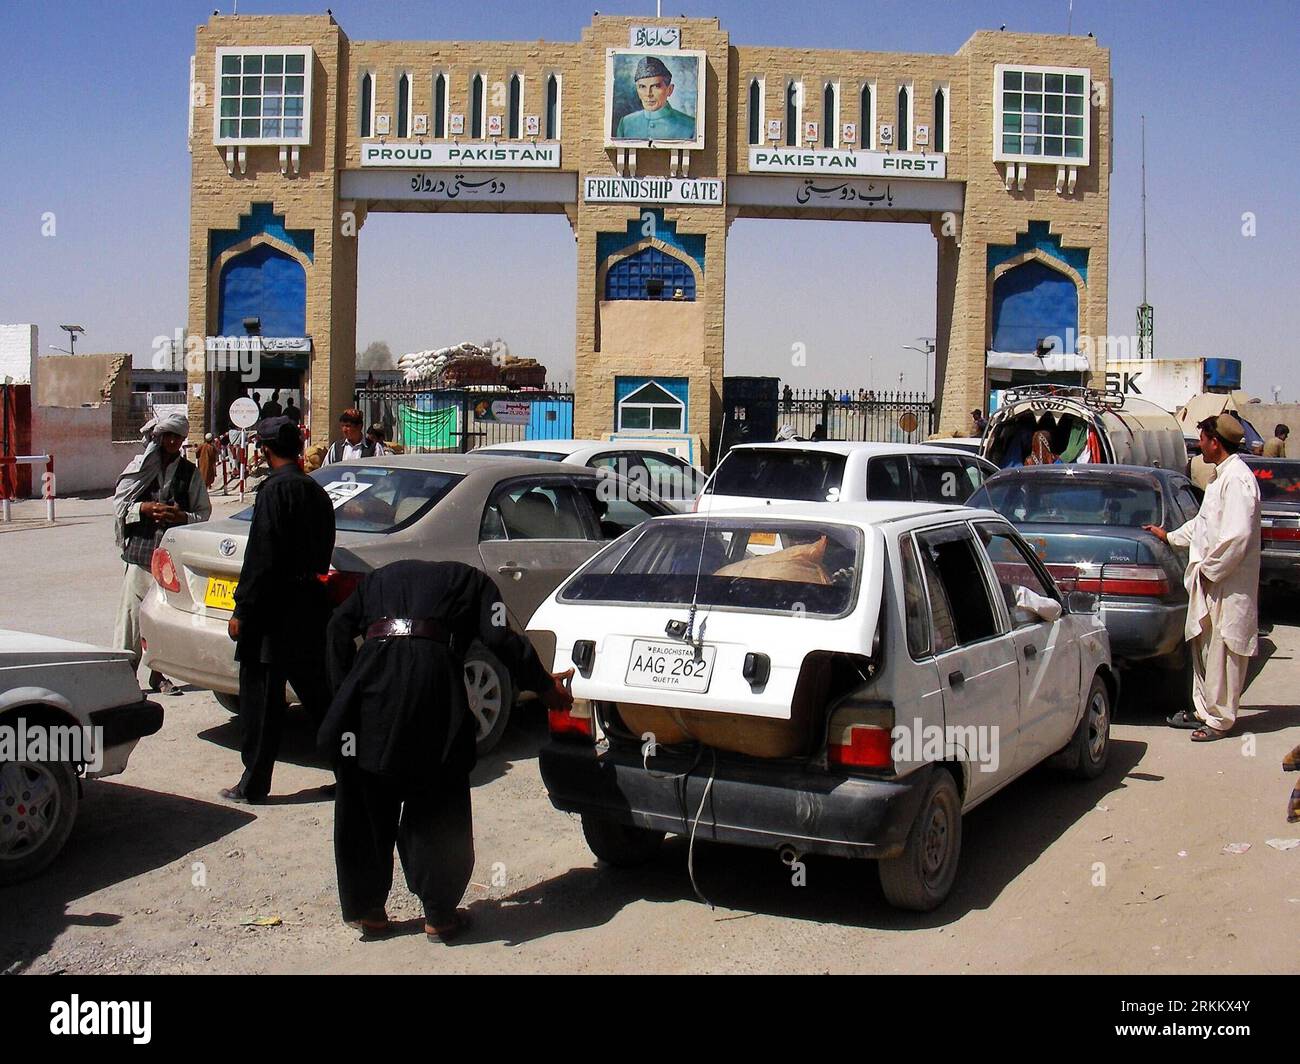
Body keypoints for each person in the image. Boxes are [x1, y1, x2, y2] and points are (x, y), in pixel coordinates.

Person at [320, 560, 574, 941]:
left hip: (371, 690)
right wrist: (544, 687)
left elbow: (337, 628)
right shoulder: (475, 582)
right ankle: (439, 915)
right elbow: (501, 637)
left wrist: (345, 691)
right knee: (437, 797)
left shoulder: (379, 579)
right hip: (433, 688)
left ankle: (369, 910)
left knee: (367, 795)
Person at [220, 416, 336, 804]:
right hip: (309, 609)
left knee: (262, 705)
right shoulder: (317, 493)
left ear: (265, 450)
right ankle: (350, 772)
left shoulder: (272, 493)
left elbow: (262, 558)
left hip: (272, 613)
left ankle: (253, 784)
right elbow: (323, 556)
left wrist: (243, 610)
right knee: (321, 697)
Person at [1144, 414, 1261, 741]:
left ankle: (1219, 720)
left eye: (1202, 441)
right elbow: (1204, 525)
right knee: (1207, 650)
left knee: (1224, 652)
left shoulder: (1237, 480)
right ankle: (1204, 710)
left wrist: (1210, 571)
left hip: (1226, 583)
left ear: (1215, 441)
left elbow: (1236, 536)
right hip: (1212, 580)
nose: (1199, 447)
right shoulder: (1220, 478)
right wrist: (1169, 536)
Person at [113, 412, 211, 694]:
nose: (171, 441)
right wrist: (143, 509)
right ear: (158, 437)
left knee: (164, 617)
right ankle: (124, 675)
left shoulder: (189, 473)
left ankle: (160, 674)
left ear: (181, 440)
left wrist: (181, 517)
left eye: (176, 437)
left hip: (170, 558)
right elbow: (119, 505)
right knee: (130, 620)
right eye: (167, 436)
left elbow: (203, 513)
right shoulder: (140, 468)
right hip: (140, 554)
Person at [615, 56, 696, 141]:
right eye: (642, 86)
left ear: (670, 90)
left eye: (656, 86)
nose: (648, 94)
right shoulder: (626, 123)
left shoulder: (691, 126)